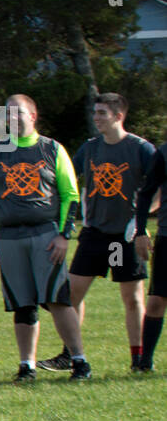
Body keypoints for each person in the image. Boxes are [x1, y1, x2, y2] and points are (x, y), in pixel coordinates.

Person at [0, 94, 89, 382]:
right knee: (22, 304)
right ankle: (27, 366)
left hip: (46, 236)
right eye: (7, 114)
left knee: (58, 300)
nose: (12, 118)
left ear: (32, 116)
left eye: (18, 113)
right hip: (9, 238)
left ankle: (79, 360)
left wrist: (64, 235)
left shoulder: (52, 149)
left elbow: (70, 195)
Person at [36, 92, 154, 372]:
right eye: (95, 112)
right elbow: (66, 182)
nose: (96, 118)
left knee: (132, 298)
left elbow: (160, 188)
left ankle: (139, 360)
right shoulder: (89, 149)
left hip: (125, 236)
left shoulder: (141, 149)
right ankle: (71, 354)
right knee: (70, 295)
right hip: (95, 234)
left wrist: (140, 219)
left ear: (118, 116)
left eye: (102, 113)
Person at [134, 131, 167, 372]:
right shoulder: (163, 153)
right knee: (156, 301)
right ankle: (145, 363)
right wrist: (141, 231)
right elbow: (146, 194)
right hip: (166, 235)